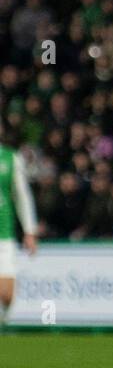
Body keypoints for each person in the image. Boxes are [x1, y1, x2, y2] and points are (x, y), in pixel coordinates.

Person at [0, 139, 38, 328]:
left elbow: (22, 196)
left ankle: (3, 318)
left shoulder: (10, 158)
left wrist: (29, 231)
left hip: (4, 234)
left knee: (6, 294)